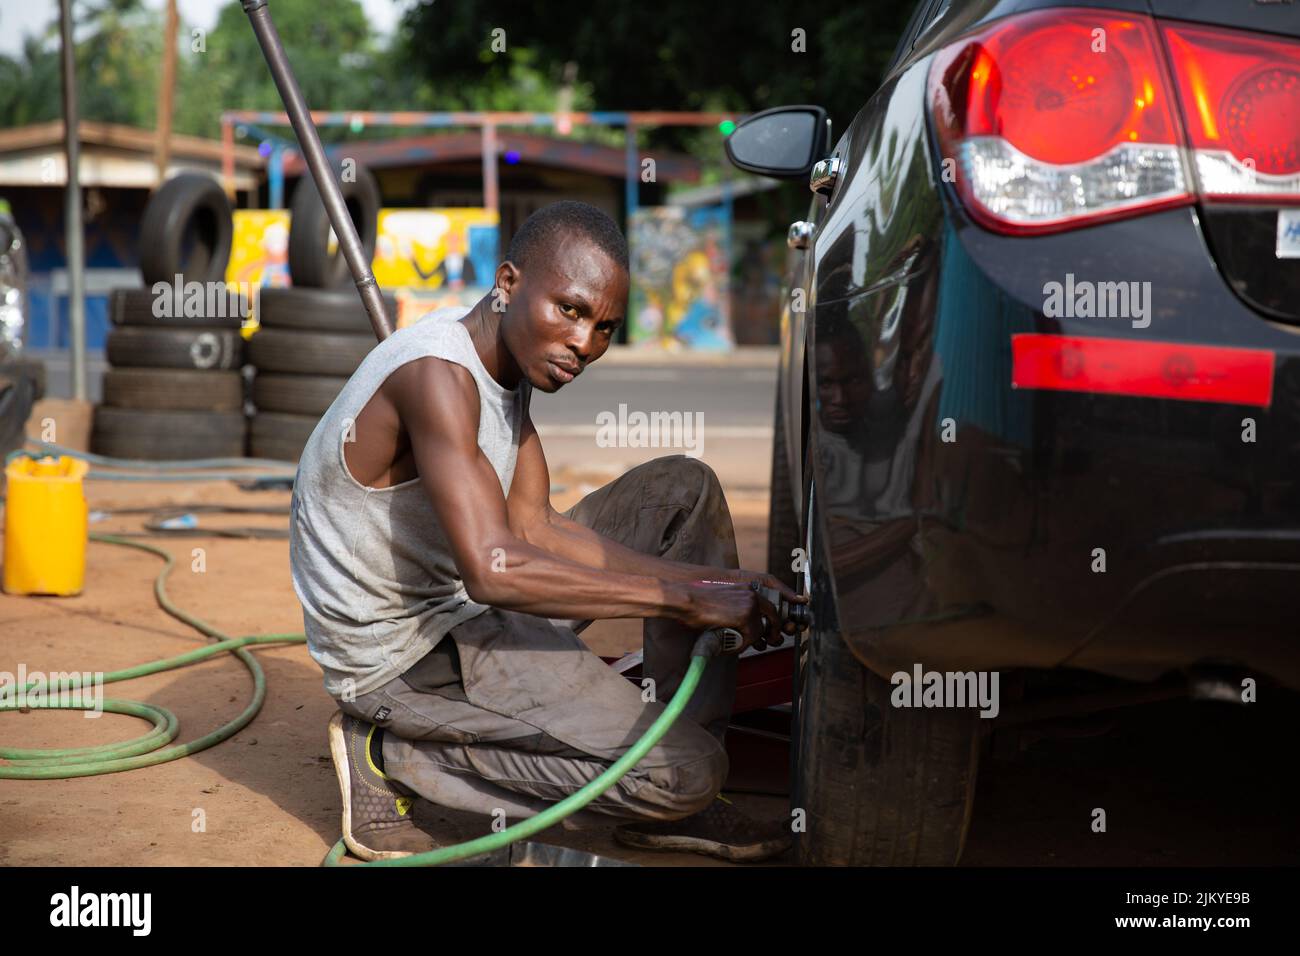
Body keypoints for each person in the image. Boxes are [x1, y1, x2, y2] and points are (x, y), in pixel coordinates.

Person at [289, 200, 802, 863]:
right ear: (507, 284)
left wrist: (718, 583)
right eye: (570, 310)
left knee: (683, 488)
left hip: (471, 599)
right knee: (682, 774)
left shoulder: (505, 356)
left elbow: (535, 526)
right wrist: (687, 599)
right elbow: (495, 569)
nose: (585, 344)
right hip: (407, 655)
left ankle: (684, 773)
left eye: (605, 327)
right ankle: (398, 754)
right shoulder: (437, 375)